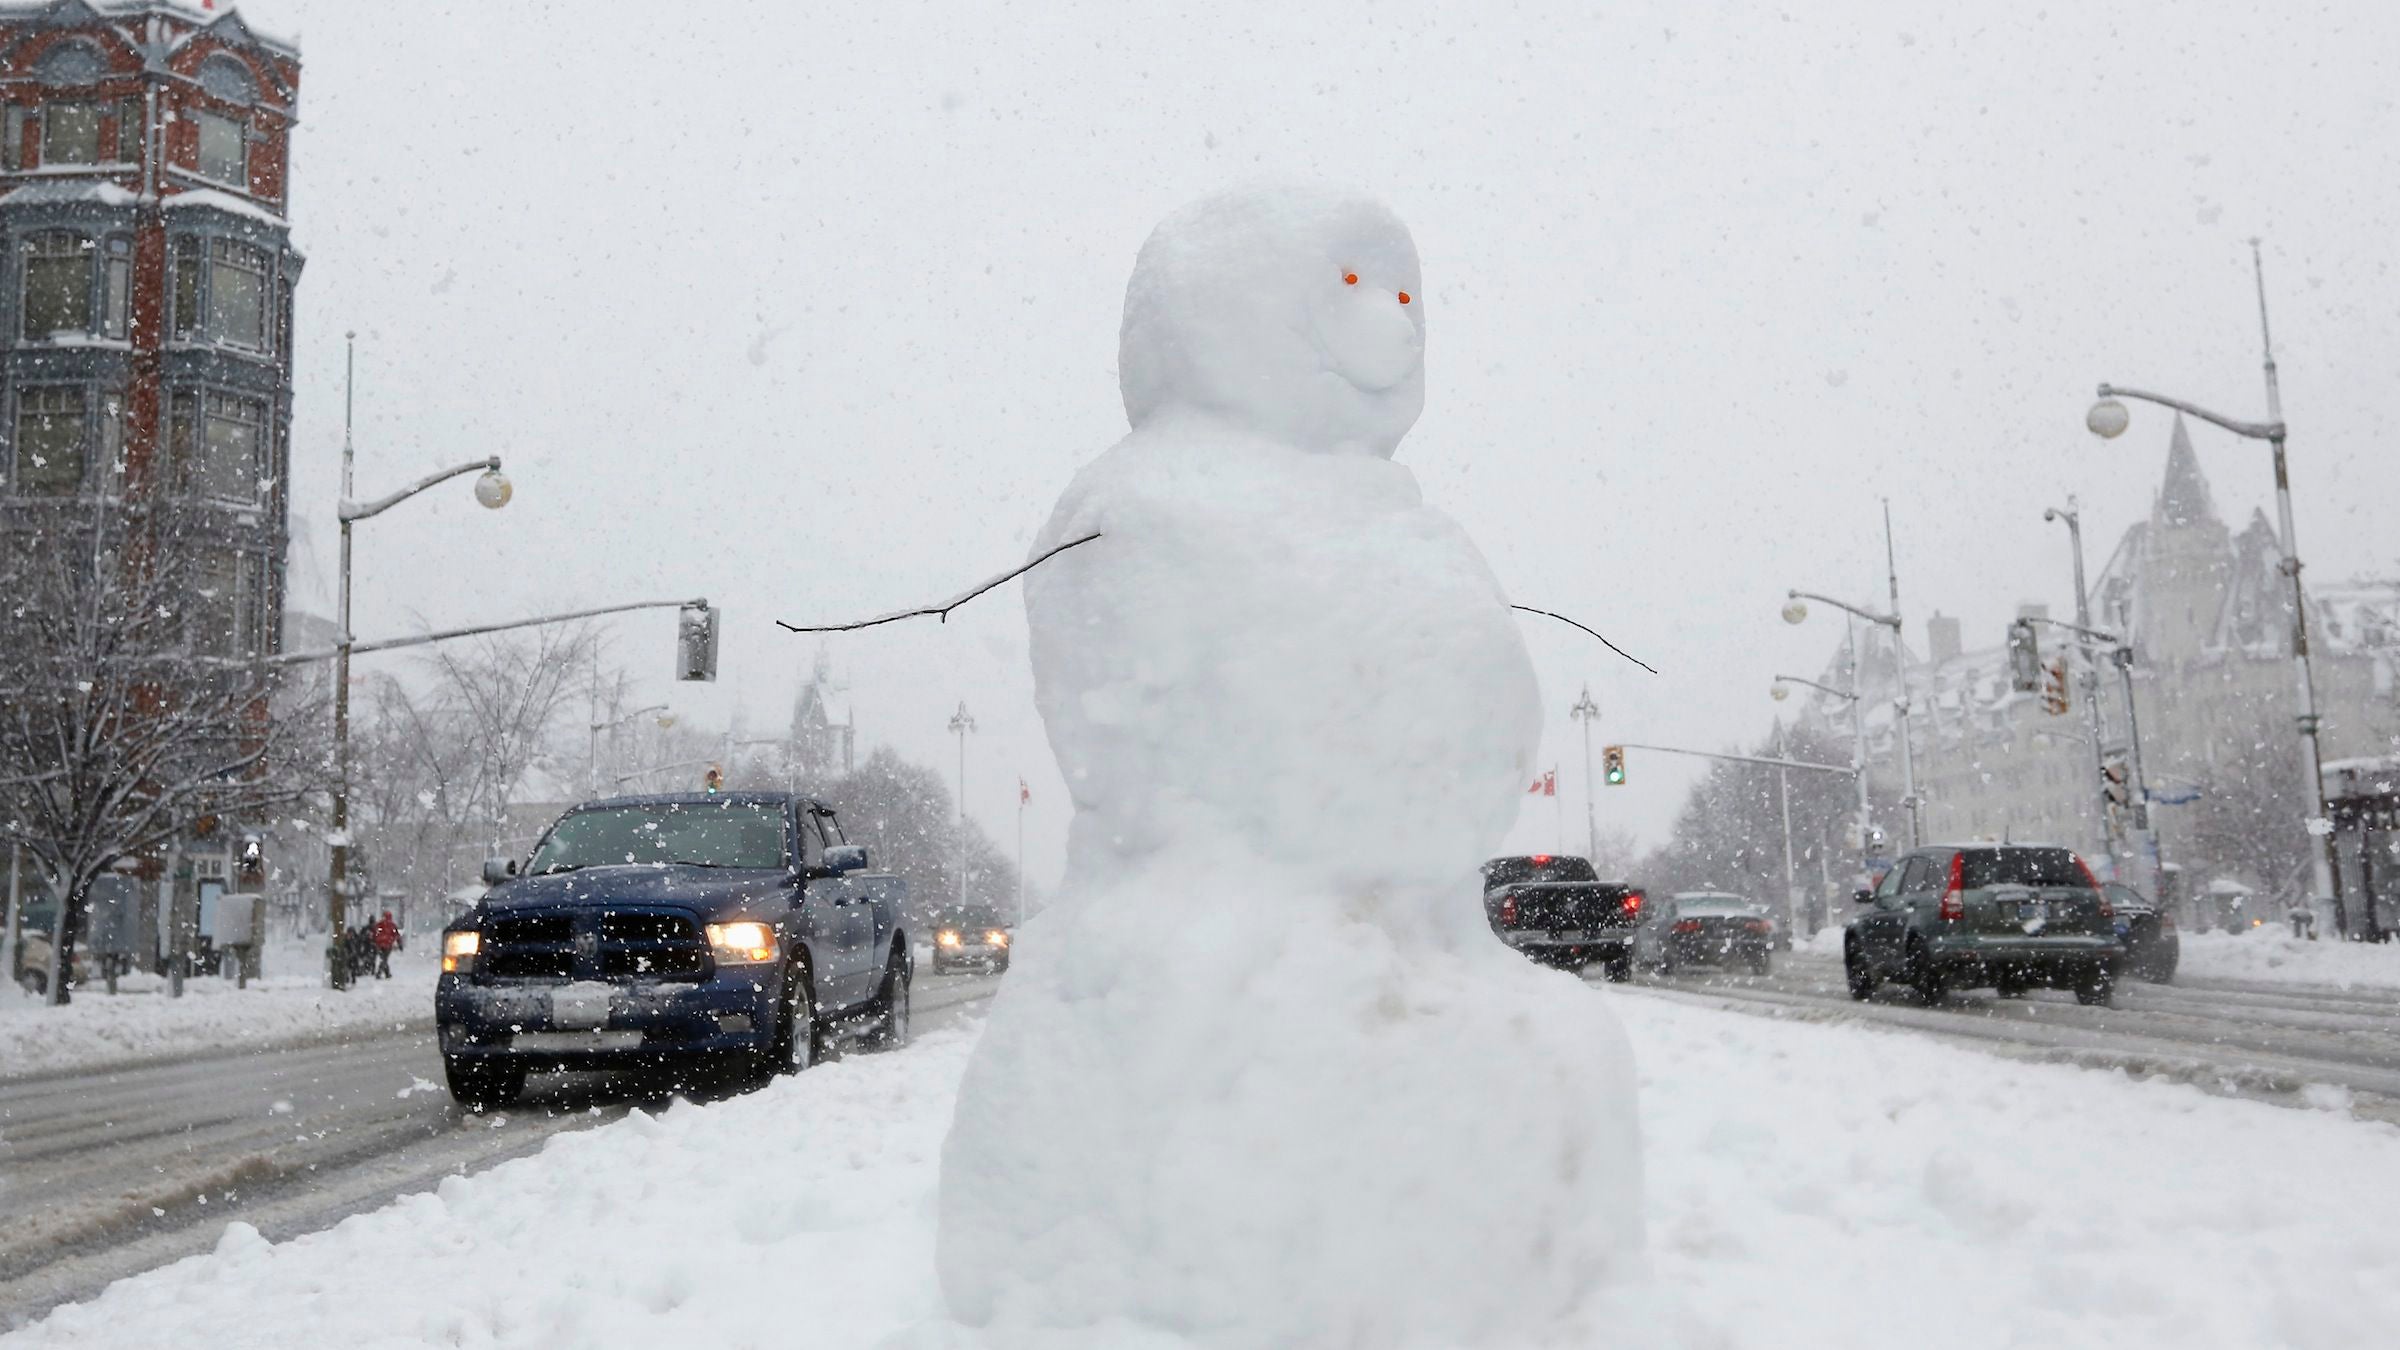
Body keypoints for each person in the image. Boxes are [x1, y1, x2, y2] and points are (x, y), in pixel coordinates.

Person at [371, 911, 399, 979]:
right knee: (384, 959)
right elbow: (396, 934)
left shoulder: (379, 924)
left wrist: (374, 940)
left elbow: (375, 933)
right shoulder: (392, 925)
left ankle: (386, 973)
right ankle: (381, 973)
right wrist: (398, 942)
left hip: (380, 944)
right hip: (388, 945)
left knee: (383, 959)